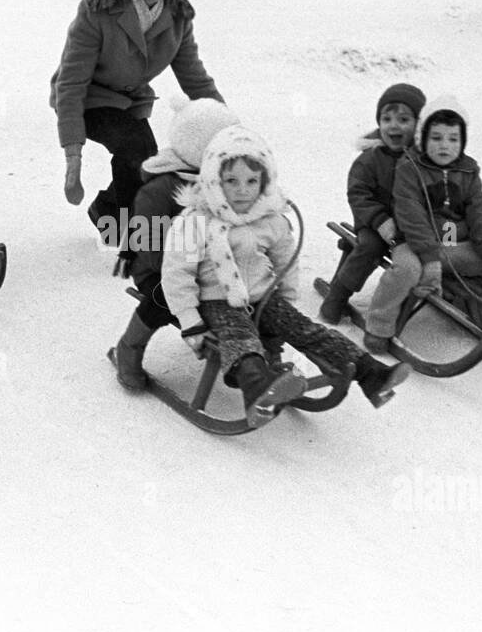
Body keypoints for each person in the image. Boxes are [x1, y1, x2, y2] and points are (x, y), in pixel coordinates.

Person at [161, 125, 411, 427]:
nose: (243, 190)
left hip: (265, 298)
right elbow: (178, 274)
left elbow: (285, 264)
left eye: (252, 181)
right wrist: (190, 320)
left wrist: (287, 302)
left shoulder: (270, 220)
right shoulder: (195, 222)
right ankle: (258, 388)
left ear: (264, 181)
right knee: (241, 338)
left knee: (306, 330)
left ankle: (371, 373)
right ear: (214, 180)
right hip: (217, 302)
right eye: (231, 181)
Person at [50, 0, 224, 243]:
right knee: (134, 147)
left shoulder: (177, 16)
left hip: (129, 101)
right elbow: (71, 83)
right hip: (88, 98)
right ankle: (139, 239)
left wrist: (227, 128)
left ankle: (107, 212)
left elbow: (194, 77)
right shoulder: (97, 9)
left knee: (148, 162)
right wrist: (73, 156)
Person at [363, 96, 482, 351]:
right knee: (408, 269)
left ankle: (475, 306)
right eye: (436, 138)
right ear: (423, 138)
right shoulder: (410, 168)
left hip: (447, 238)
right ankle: (378, 325)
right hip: (410, 239)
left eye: (453, 139)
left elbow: (480, 215)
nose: (445, 146)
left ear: (462, 142)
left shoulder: (467, 171)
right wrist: (430, 260)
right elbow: (411, 215)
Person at [112, 97, 240, 390]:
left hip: (207, 266)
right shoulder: (159, 190)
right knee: (164, 299)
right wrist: (188, 272)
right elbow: (150, 244)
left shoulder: (221, 184)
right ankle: (129, 347)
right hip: (158, 268)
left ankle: (250, 356)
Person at [319, 82, 427, 323]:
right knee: (370, 248)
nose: (394, 125)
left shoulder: (424, 159)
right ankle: (337, 295)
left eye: (403, 119)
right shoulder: (370, 159)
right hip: (376, 222)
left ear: (419, 125)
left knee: (444, 247)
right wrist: (380, 221)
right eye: (387, 119)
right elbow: (358, 194)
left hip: (412, 225)